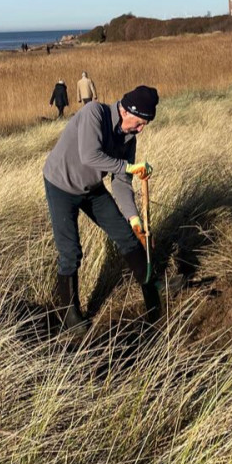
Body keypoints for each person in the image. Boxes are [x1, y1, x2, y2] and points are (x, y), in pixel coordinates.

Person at [42, 85, 161, 332]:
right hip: (61, 185)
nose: (140, 129)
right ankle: (69, 316)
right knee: (70, 252)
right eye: (139, 123)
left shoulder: (129, 138)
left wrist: (134, 219)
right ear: (126, 111)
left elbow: (121, 182)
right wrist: (128, 167)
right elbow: (90, 155)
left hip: (92, 190)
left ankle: (152, 289)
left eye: (145, 125)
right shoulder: (94, 113)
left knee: (127, 236)